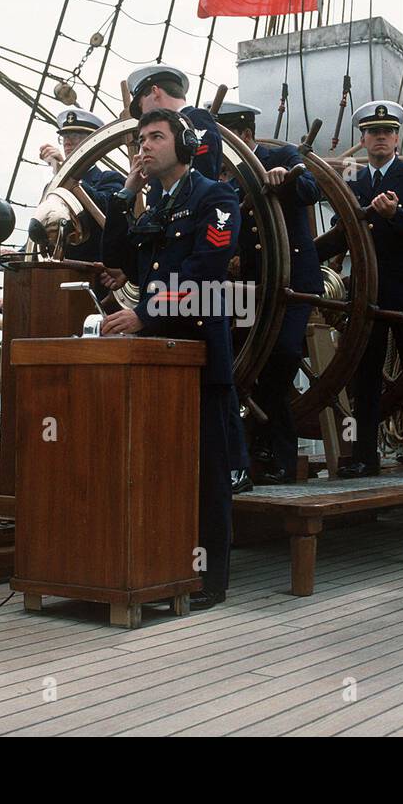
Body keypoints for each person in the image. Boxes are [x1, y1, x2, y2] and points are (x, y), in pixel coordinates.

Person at [99, 108, 241, 611]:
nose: (144, 146)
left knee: (207, 471)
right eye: (140, 139)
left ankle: (210, 580)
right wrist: (124, 193)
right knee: (164, 465)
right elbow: (114, 255)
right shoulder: (153, 201)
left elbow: (204, 273)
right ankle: (167, 566)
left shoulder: (216, 198)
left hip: (200, 356)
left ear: (183, 146)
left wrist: (144, 315)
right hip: (161, 358)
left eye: (156, 137)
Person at [331, 101, 403, 480]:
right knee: (365, 375)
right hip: (367, 295)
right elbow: (340, 227)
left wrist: (398, 215)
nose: (380, 138)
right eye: (373, 133)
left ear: (396, 138)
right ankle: (366, 458)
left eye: (387, 132)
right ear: (362, 140)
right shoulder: (354, 185)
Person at [213, 100, 324, 483]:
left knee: (282, 356)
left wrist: (285, 176)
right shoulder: (216, 172)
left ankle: (281, 455)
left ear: (244, 136)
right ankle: (253, 449)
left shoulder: (282, 154)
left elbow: (311, 190)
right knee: (243, 362)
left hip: (291, 282)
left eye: (226, 138)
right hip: (246, 286)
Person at [38, 108, 125, 296]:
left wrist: (65, 172)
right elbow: (44, 227)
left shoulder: (110, 179)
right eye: (65, 136)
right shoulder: (51, 188)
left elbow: (106, 210)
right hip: (53, 281)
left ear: (92, 142)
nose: (68, 141)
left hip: (94, 283)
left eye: (76, 135)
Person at [126, 65, 224, 181]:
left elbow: (201, 175)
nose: (143, 113)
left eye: (141, 104)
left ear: (155, 92)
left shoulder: (196, 120)